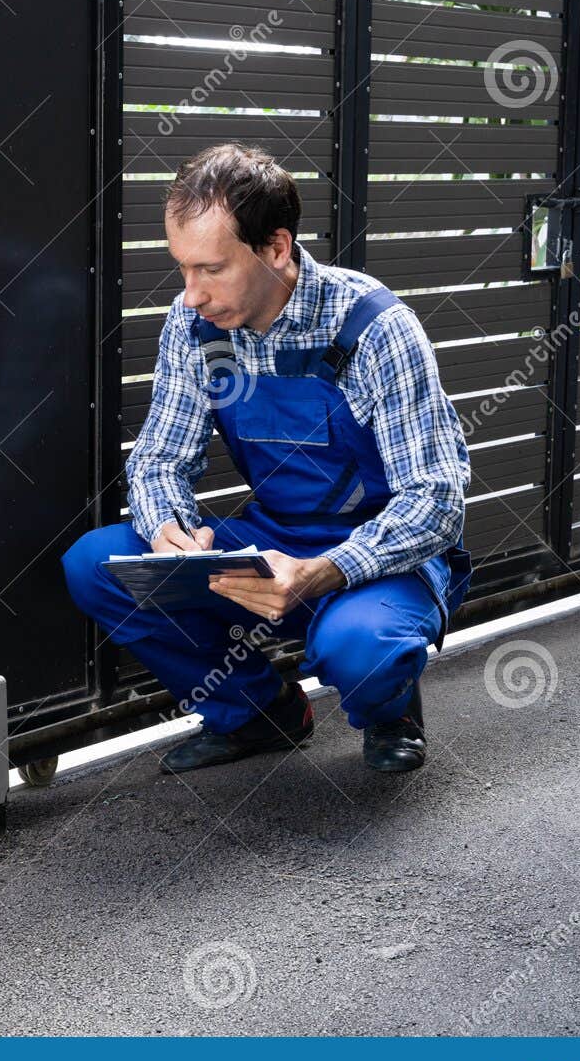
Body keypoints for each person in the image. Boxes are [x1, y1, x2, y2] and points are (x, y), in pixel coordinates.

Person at [61, 142, 473, 774]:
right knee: (96, 564)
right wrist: (170, 532)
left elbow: (437, 501)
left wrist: (323, 571)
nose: (190, 293)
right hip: (273, 538)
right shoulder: (194, 326)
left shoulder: (373, 328)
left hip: (380, 554)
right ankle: (259, 713)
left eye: (210, 269)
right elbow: (158, 461)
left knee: (360, 647)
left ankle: (389, 709)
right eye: (182, 269)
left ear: (276, 248)